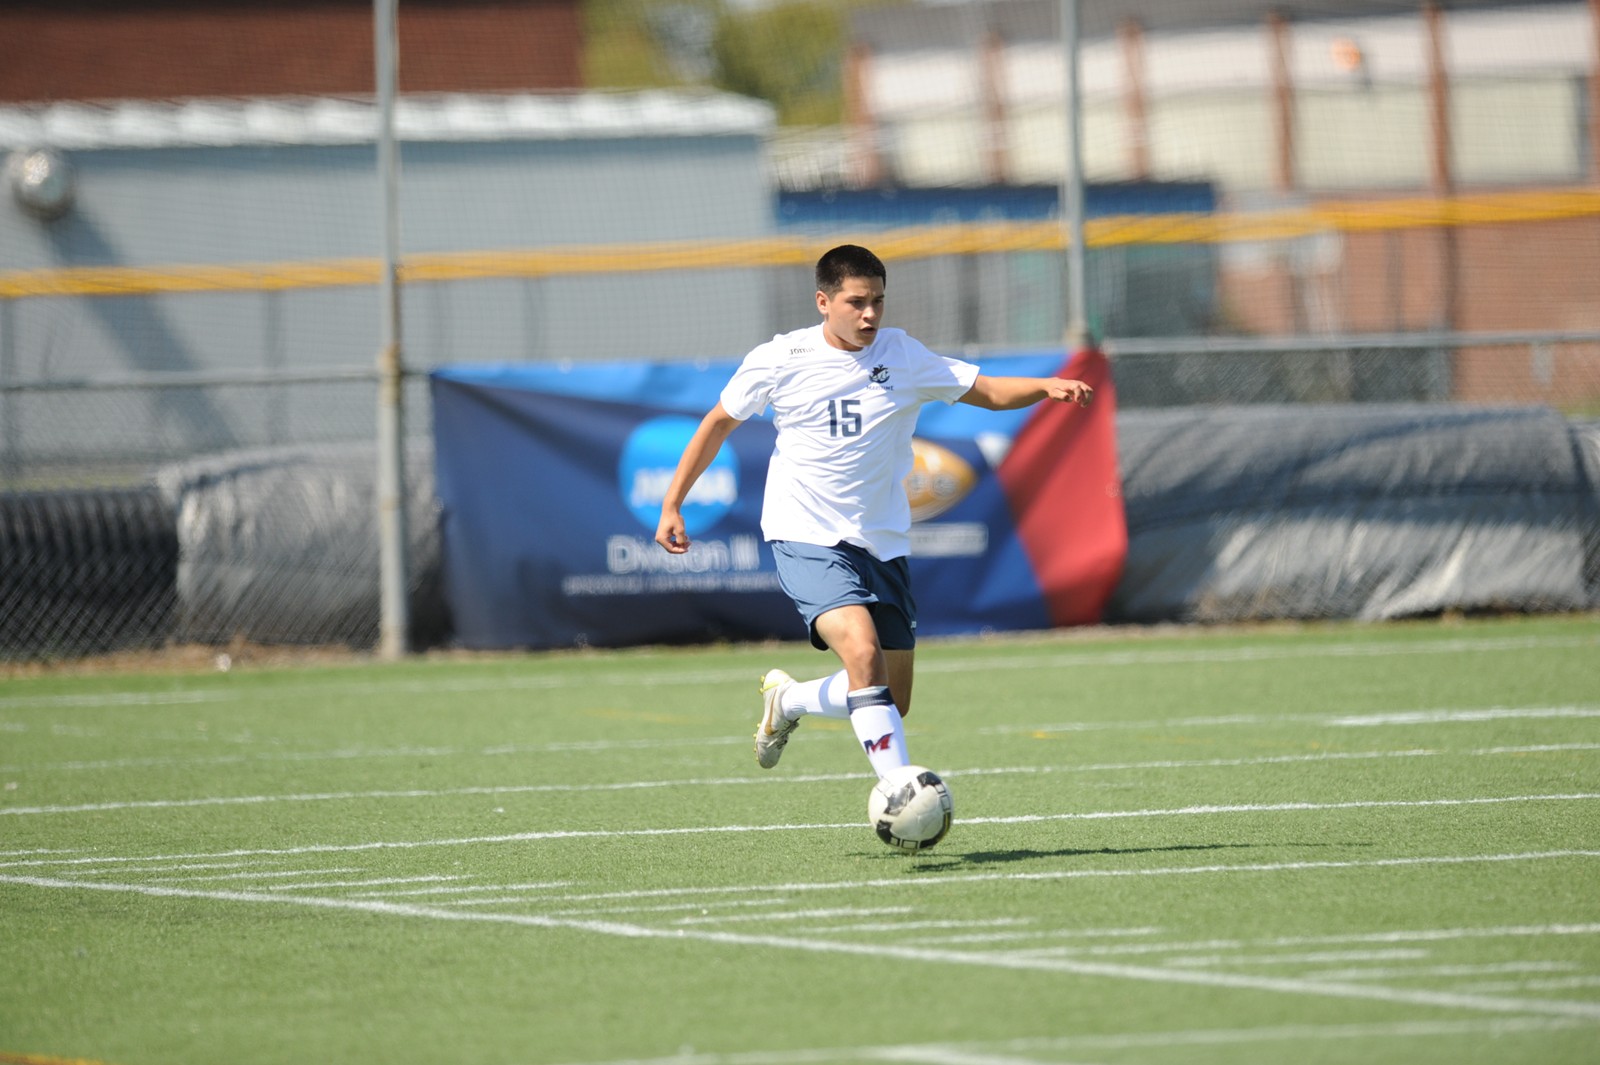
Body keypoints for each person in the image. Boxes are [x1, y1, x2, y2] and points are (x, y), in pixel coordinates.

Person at [654, 244, 1093, 780]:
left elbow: (987, 390)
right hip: (805, 531)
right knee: (862, 656)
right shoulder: (779, 358)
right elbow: (717, 423)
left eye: (878, 302)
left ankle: (789, 702)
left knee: (890, 696)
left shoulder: (901, 353)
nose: (869, 315)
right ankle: (899, 789)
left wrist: (1045, 386)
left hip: (882, 541)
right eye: (856, 302)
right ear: (823, 301)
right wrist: (673, 502)